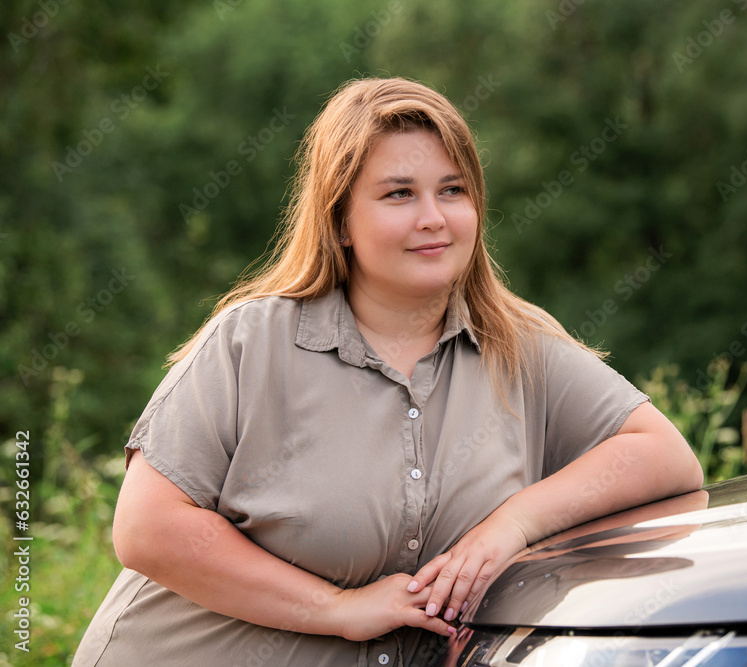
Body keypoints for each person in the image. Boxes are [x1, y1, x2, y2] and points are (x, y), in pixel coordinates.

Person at [73, 76, 703, 666]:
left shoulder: (520, 347)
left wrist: (511, 525)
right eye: (400, 193)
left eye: (452, 190)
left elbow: (661, 455)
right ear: (340, 219)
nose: (433, 217)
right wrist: (337, 609)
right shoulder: (250, 341)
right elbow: (147, 529)